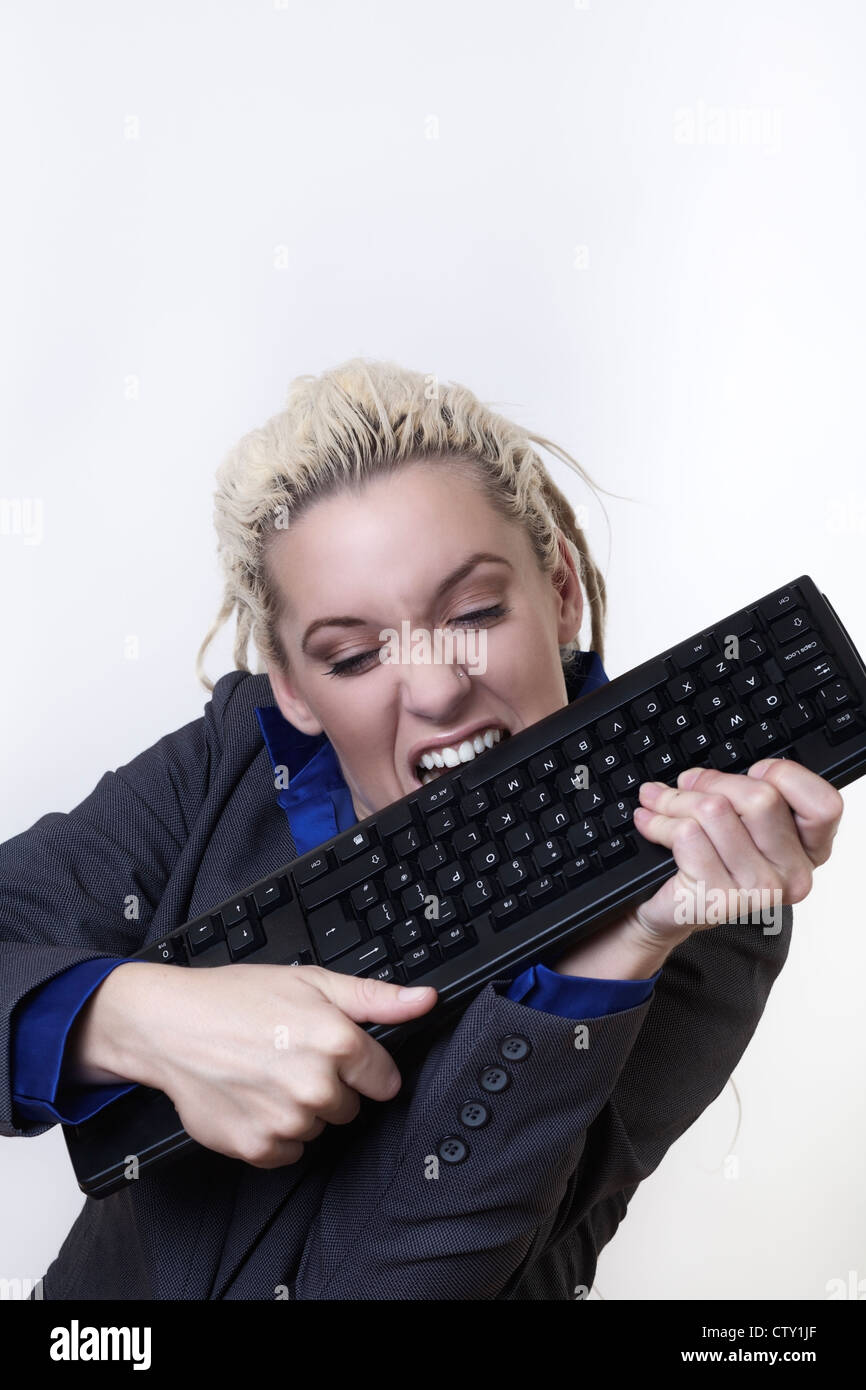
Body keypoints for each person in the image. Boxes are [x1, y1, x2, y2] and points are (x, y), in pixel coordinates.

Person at [1, 359, 844, 1300]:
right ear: (292, 685)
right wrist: (136, 1018)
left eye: (476, 611)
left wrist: (608, 956)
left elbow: (387, 1281)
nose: (438, 688)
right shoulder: (232, 762)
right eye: (354, 656)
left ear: (559, 589)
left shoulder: (712, 899)